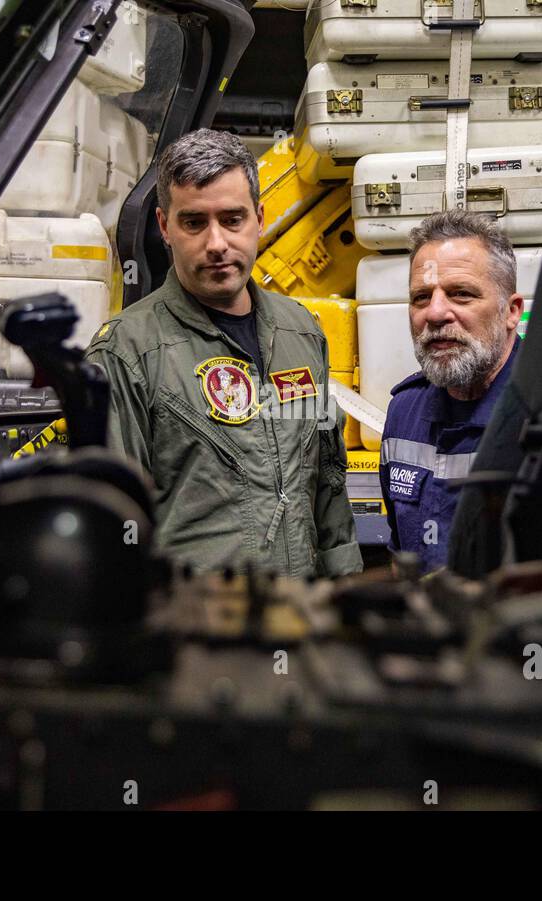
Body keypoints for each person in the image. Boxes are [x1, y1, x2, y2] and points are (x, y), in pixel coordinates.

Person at [84, 128, 361, 578]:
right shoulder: (125, 352)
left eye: (233, 219)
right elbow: (113, 530)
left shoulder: (301, 331)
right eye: (194, 222)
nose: (216, 244)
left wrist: (343, 591)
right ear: (164, 227)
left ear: (260, 219)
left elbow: (328, 480)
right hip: (199, 633)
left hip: (300, 617)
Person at [379, 210, 525, 572]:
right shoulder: (404, 412)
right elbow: (402, 556)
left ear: (512, 311)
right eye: (421, 298)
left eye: (461, 294)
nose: (436, 313)